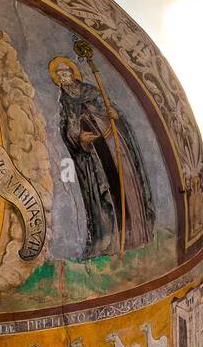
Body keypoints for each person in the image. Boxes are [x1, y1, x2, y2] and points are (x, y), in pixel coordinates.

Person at [50, 55, 154, 258]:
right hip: (93, 155)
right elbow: (66, 130)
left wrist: (116, 116)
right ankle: (113, 241)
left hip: (112, 145)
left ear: (73, 74)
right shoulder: (64, 103)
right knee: (106, 195)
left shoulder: (93, 92)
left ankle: (137, 235)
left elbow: (113, 112)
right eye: (60, 75)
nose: (63, 78)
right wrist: (79, 138)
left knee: (125, 186)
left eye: (66, 73)